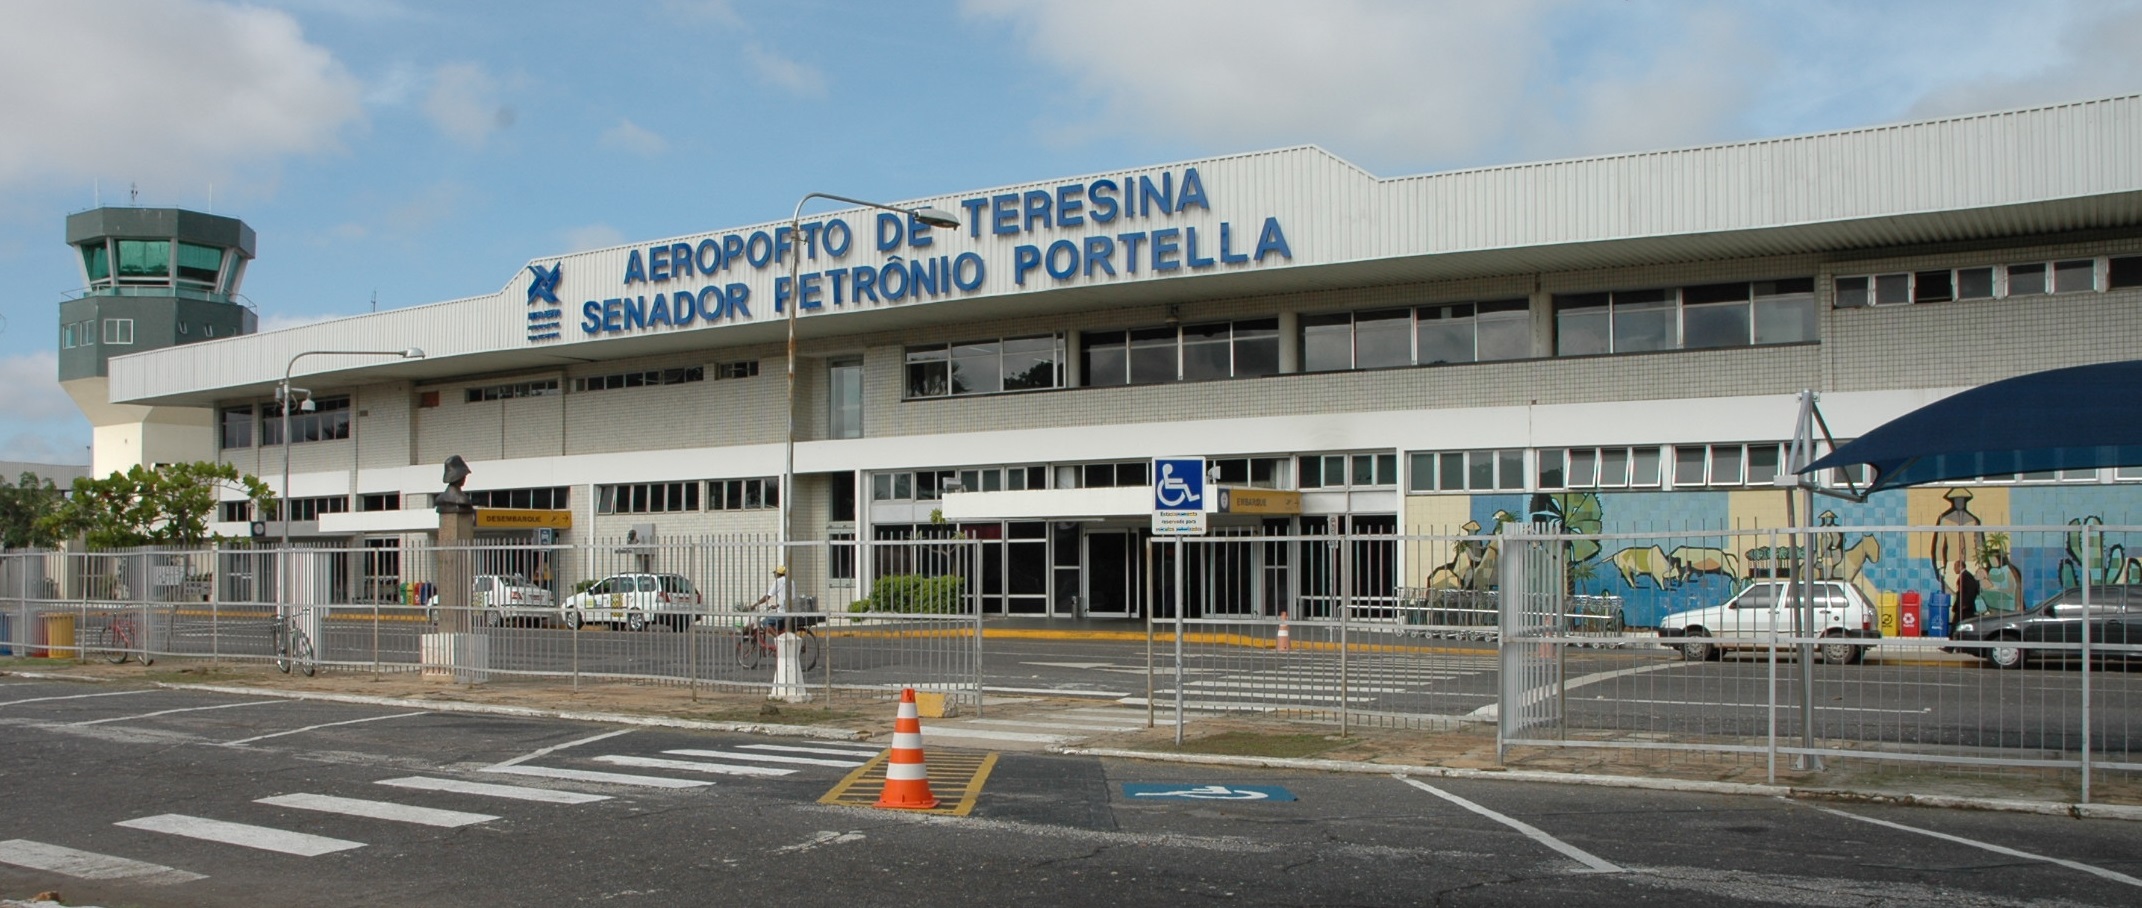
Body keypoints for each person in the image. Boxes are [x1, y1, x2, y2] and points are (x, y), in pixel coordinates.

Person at [750, 565, 792, 634]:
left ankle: (778, 638)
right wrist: (777, 606)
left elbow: (767, 597)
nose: (774, 575)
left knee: (765, 622)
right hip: (791, 611)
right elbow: (787, 598)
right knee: (778, 626)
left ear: (778, 573)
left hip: (782, 612)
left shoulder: (778, 581)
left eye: (774, 573)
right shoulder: (791, 581)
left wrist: (754, 605)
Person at [1953, 560, 1981, 626]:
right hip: (1963, 607)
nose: (1954, 569)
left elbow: (1971, 590)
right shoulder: (1964, 575)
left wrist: (1965, 604)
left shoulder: (1966, 576)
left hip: (1965, 608)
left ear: (1960, 567)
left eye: (1955, 567)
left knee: (1960, 625)